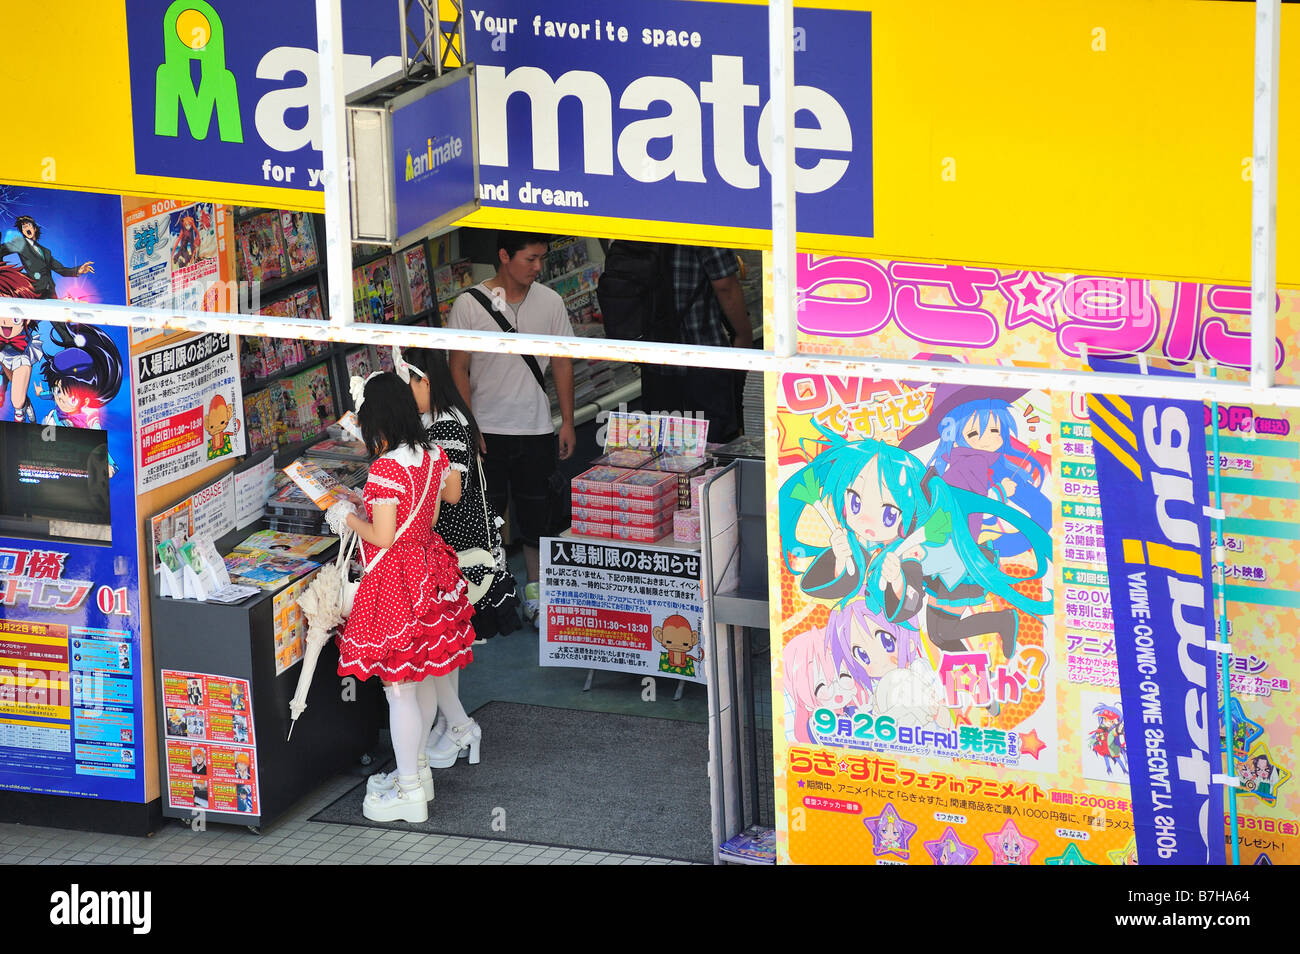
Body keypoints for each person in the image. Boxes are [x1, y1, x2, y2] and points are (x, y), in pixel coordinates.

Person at [324, 373, 479, 824]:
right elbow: (440, 503)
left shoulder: (388, 466)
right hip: (430, 568)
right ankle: (419, 775)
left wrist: (346, 515)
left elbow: (383, 535)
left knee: (398, 691)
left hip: (393, 579)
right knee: (421, 676)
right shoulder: (432, 453)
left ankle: (410, 791)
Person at [399, 346, 521, 768]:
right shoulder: (446, 419)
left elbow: (450, 492)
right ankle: (448, 728)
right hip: (454, 548)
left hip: (456, 549)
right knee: (444, 645)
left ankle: (459, 726)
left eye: (408, 383)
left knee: (435, 645)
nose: (406, 393)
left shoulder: (445, 425)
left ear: (424, 380)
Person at [447, 231, 576, 625]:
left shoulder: (550, 301)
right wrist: (469, 426)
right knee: (487, 515)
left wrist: (567, 421)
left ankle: (536, 595)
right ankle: (491, 596)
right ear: (504, 255)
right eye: (530, 259)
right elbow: (458, 366)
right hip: (487, 430)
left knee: (538, 515)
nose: (538, 268)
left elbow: (562, 361)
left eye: (541, 259)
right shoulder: (469, 305)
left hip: (537, 428)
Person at [637, 244, 752, 444]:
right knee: (714, 448)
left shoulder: (636, 222)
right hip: (703, 356)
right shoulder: (702, 223)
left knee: (663, 446)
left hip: (654, 361)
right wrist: (743, 335)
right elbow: (726, 285)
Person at [1, 216, 94, 299]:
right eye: (24, 227)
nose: (26, 228)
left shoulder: (46, 252)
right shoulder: (20, 243)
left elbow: (61, 269)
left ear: (34, 228)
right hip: (33, 290)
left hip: (49, 290)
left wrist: (78, 270)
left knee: (57, 317)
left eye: (28, 225)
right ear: (22, 231)